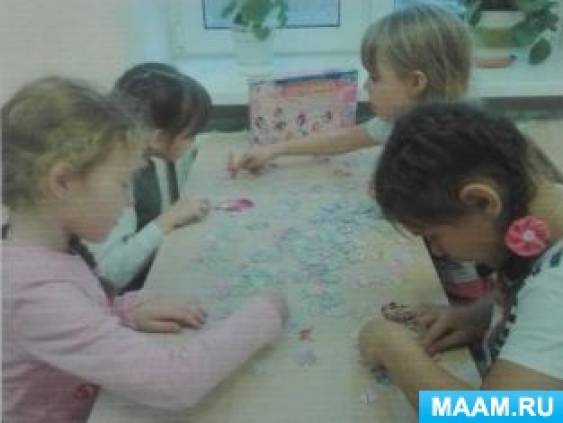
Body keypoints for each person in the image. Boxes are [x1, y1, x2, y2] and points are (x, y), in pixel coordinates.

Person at [2, 77, 288, 422]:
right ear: (63, 182)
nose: (129, 202)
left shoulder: (46, 250)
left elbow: (79, 302)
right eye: (122, 183)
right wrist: (263, 315)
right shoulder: (34, 294)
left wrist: (124, 311)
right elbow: (175, 382)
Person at [231, 3, 492, 302]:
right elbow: (345, 138)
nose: (366, 86)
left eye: (375, 77)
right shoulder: (398, 122)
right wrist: (275, 150)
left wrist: (388, 190)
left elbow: (435, 214)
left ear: (415, 82)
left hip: (457, 279)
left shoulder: (453, 144)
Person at [358, 102, 563, 409]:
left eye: (433, 236)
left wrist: (394, 349)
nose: (437, 250)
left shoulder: (556, 288)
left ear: (482, 201)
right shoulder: (545, 201)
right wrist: (479, 315)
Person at [86, 62, 212, 291]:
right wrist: (167, 220)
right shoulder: (114, 180)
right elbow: (108, 275)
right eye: (190, 135)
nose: (192, 141)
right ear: (157, 138)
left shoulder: (132, 154)